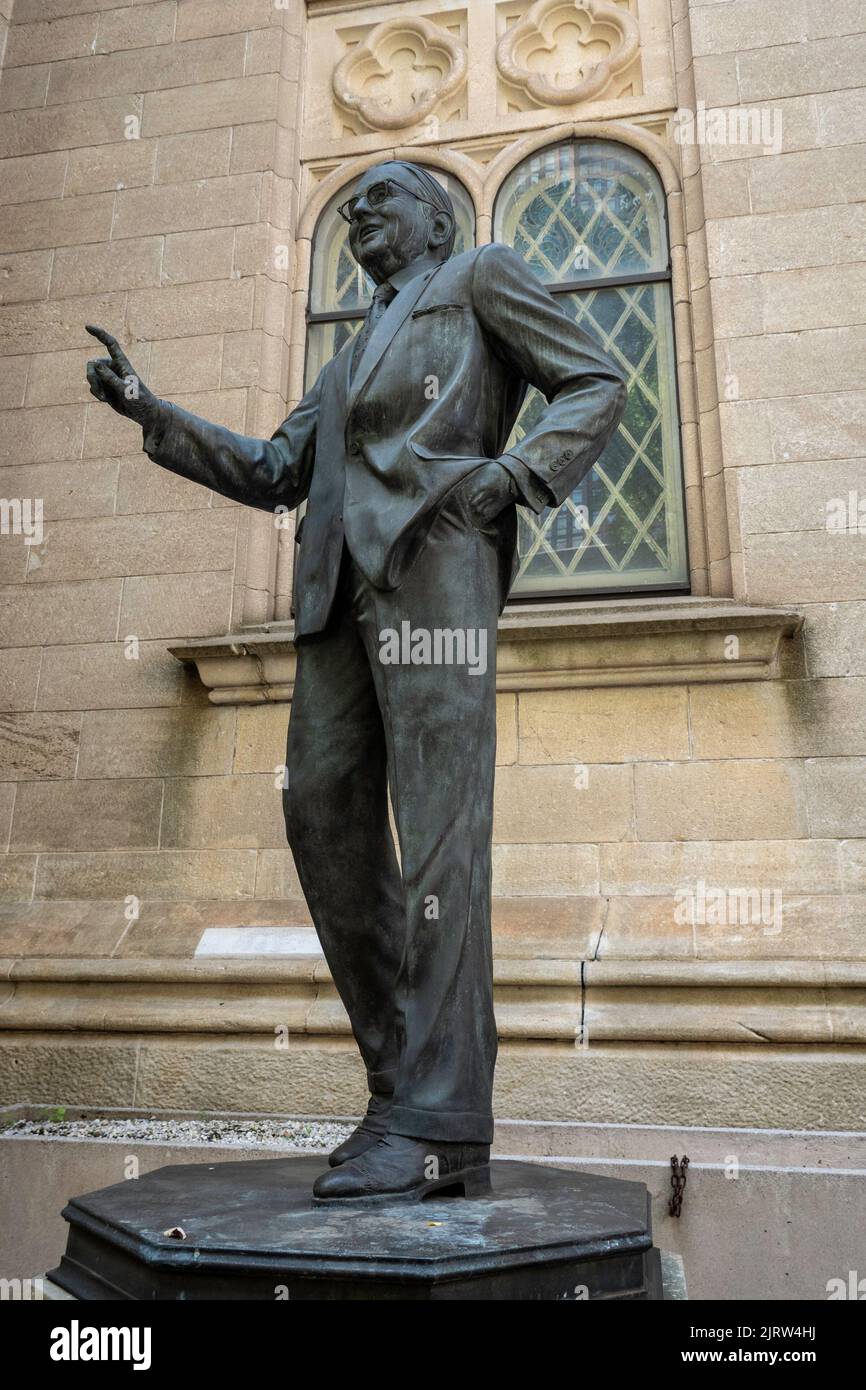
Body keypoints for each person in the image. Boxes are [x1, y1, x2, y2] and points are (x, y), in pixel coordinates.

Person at [85, 160, 627, 1204]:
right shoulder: (345, 361)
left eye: (379, 195)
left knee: (437, 842)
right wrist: (150, 408)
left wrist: (512, 475)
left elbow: (593, 378)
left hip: (434, 577)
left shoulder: (479, 277)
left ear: (432, 216)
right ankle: (400, 1091)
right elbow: (271, 470)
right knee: (322, 818)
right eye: (352, 205)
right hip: (334, 602)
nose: (358, 210)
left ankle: (439, 1120)